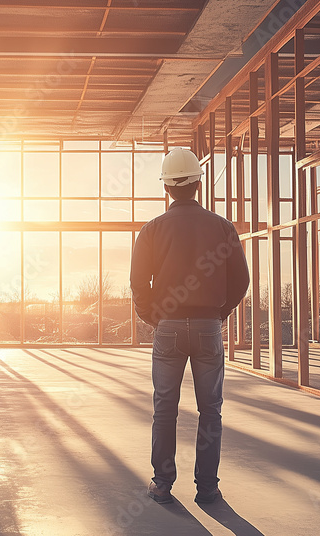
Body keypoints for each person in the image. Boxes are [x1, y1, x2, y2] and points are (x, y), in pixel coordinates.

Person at [129, 148, 249, 505]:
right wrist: (219, 313)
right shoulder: (222, 227)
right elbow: (240, 281)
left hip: (167, 329)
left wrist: (156, 318)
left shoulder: (151, 231)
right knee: (210, 409)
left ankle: (163, 484)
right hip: (208, 328)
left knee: (164, 407)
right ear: (198, 183)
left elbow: (138, 284)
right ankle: (207, 488)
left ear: (166, 188)